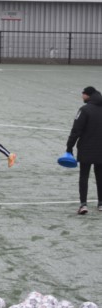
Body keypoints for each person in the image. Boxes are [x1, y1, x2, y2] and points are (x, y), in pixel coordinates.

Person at [66, 86, 102, 216]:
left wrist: (69, 147)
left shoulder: (84, 110)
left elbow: (76, 130)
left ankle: (83, 205)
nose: (82, 96)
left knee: (84, 176)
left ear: (88, 95)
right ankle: (101, 204)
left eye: (83, 94)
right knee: (100, 176)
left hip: (86, 149)